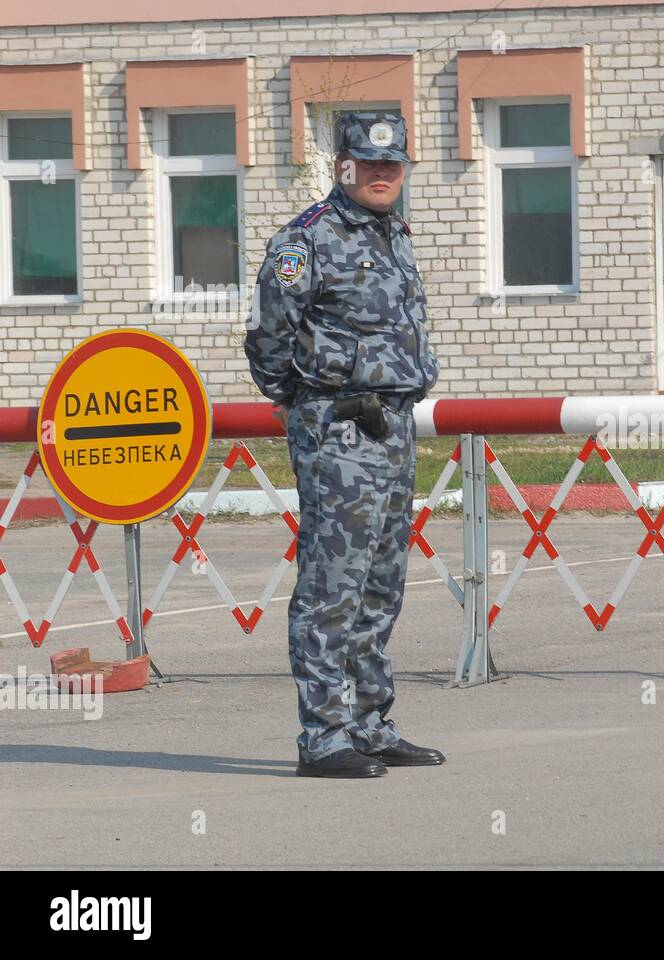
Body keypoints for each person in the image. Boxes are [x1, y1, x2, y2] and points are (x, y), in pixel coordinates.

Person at [244, 111, 444, 779]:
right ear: (343, 167)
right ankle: (324, 736)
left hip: (392, 429)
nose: (383, 175)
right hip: (339, 433)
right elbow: (269, 339)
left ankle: (369, 723)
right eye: (370, 164)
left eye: (394, 166)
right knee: (333, 585)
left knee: (381, 585)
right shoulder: (307, 241)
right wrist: (305, 408)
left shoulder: (396, 234)